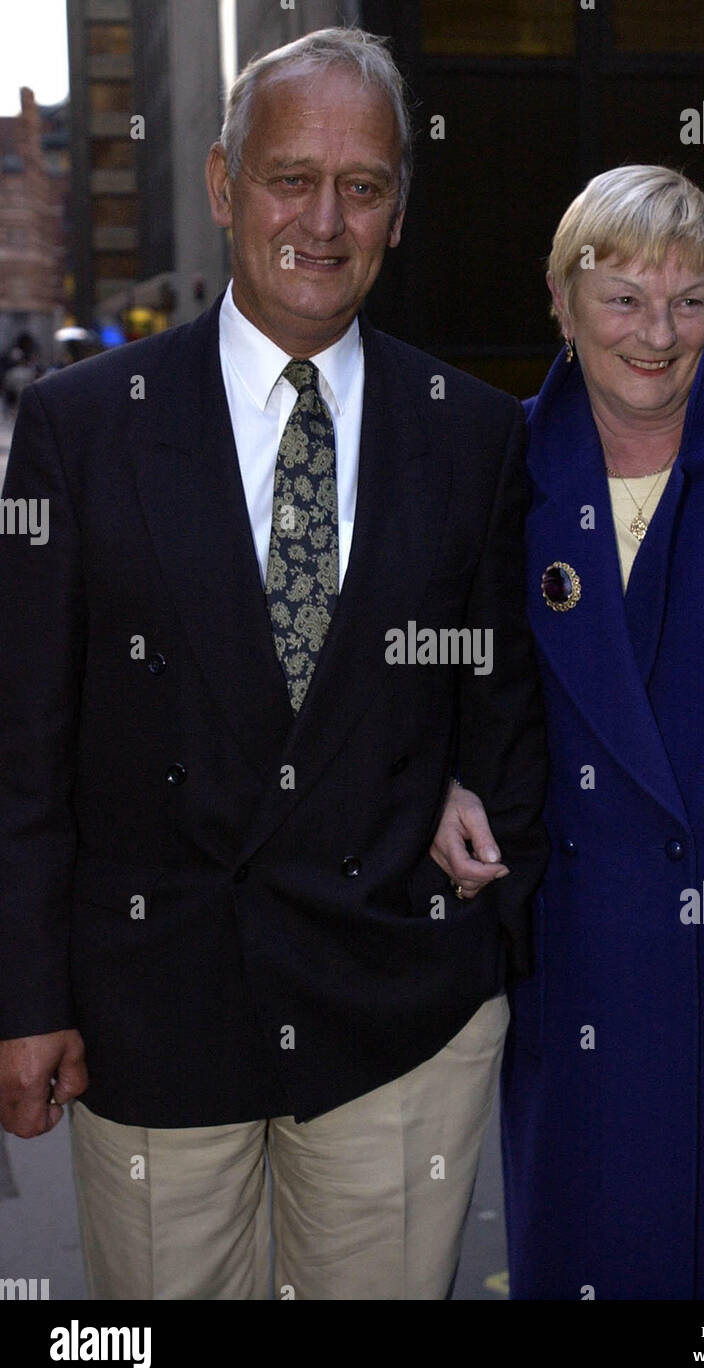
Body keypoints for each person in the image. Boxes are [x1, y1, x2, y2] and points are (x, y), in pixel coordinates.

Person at [0, 28, 547, 1301]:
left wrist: (471, 830)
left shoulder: (471, 436)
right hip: (151, 1020)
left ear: (399, 213)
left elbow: (504, 709)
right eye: (289, 177)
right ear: (219, 184)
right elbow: (22, 748)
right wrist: (26, 995)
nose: (323, 217)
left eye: (361, 186)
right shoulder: (82, 430)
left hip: (397, 1024)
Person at [434, 165, 704, 1299]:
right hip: (585, 991)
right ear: (559, 299)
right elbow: (426, 678)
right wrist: (438, 785)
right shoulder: (498, 466)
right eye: (621, 297)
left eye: (688, 299)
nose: (657, 332)